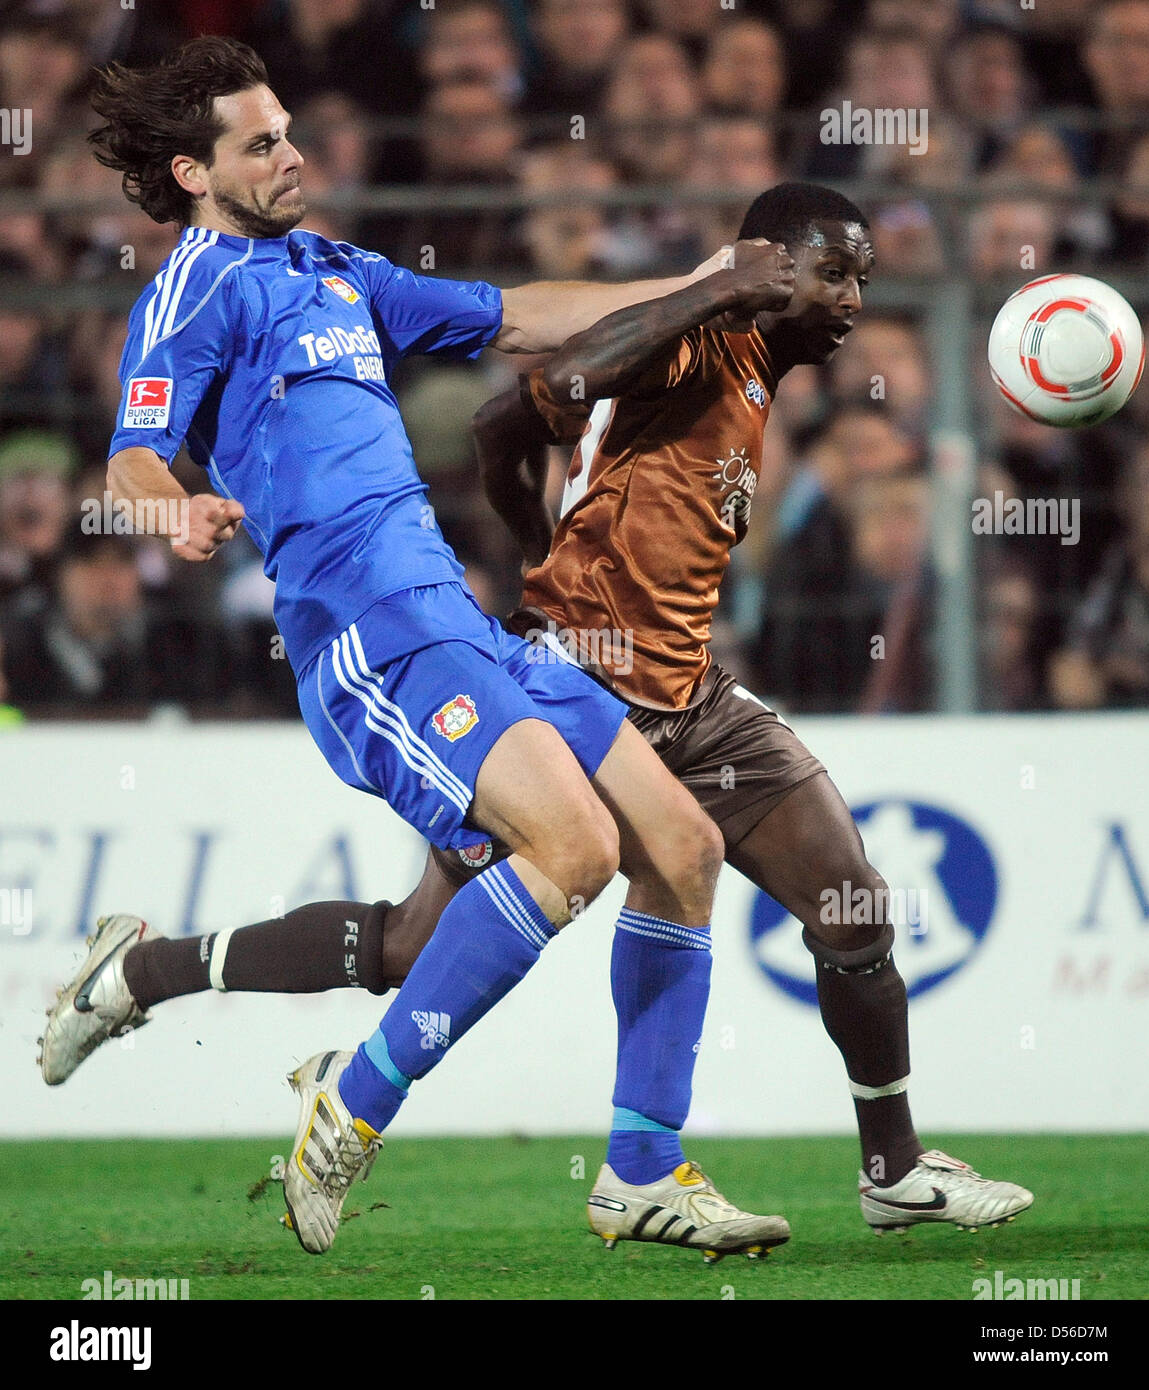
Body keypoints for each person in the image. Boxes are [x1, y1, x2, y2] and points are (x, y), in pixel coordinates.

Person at [45, 168, 1034, 1242]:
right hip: (581, 672)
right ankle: (153, 975)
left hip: (692, 696)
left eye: (864, 278)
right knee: (411, 951)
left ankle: (882, 1167)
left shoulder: (757, 370)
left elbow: (506, 404)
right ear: (770, 264)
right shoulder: (701, 336)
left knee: (851, 904)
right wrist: (540, 554)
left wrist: (533, 535)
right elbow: (526, 401)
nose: (852, 299)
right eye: (834, 272)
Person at [40, 36, 799, 1262]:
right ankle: (353, 1101)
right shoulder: (196, 290)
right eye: (261, 143)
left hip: (457, 618)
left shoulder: (334, 267)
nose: (295, 154)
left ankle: (641, 1174)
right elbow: (132, 450)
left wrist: (702, 282)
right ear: (191, 171)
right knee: (573, 848)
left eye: (288, 128)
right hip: (365, 634)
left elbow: (518, 321)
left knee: (683, 845)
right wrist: (167, 507)